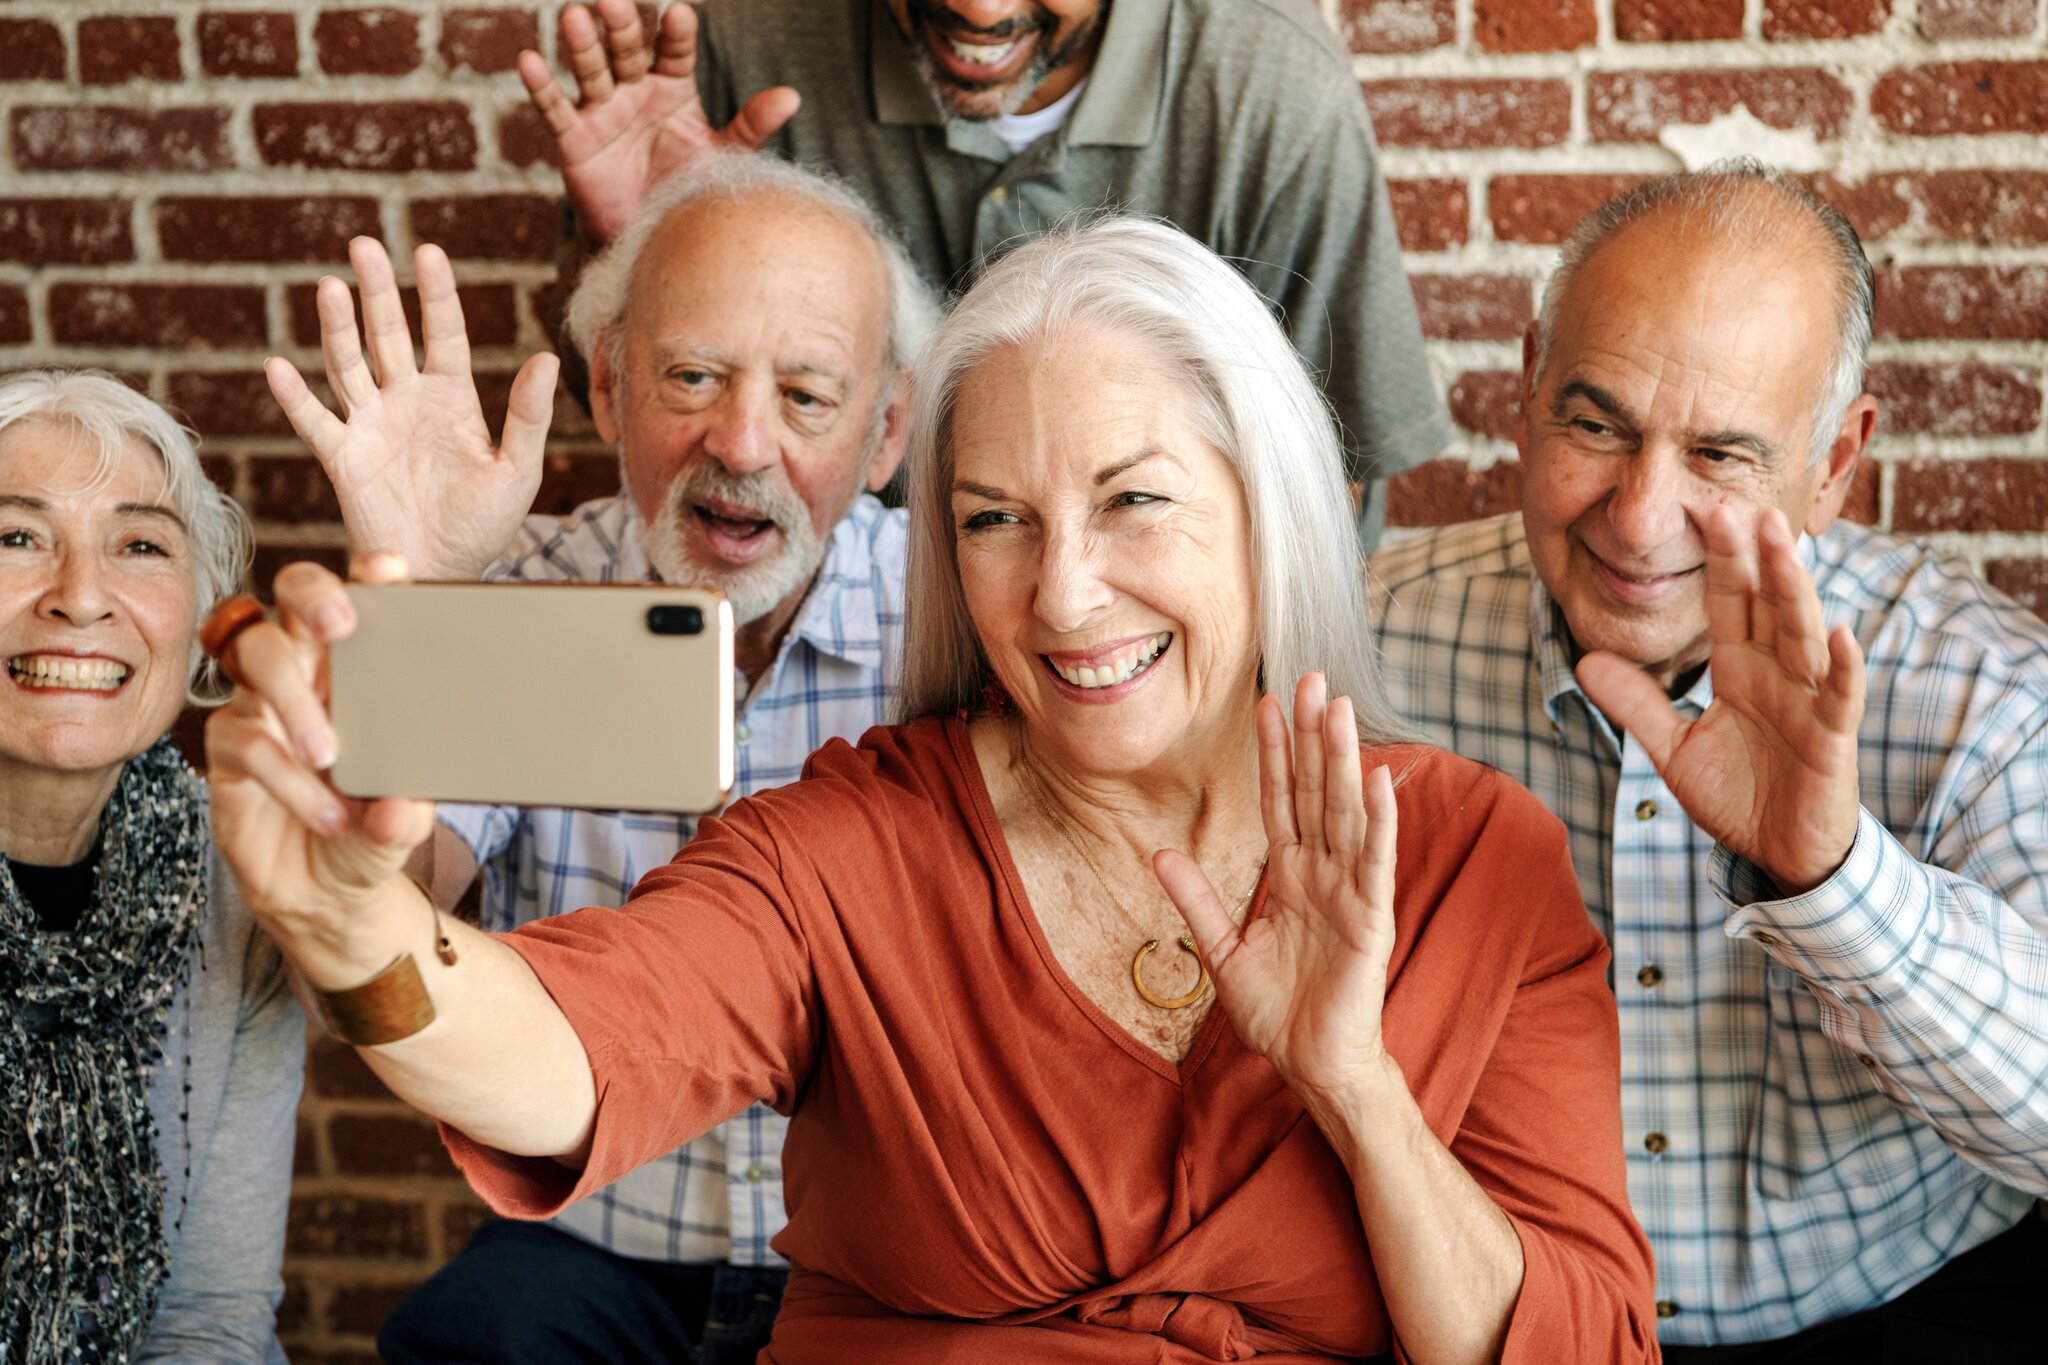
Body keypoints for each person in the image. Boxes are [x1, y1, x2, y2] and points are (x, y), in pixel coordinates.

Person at [209, 218, 1658, 1362]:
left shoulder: (1471, 853)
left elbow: (1569, 1345)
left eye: (1133, 499)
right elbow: (571, 1047)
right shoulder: (863, 836)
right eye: (996, 521)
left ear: (1265, 505)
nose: (1067, 593)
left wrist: (1356, 1090)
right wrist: (352, 929)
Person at [261, 155, 936, 1361]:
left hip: (874, 1260)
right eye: (691, 376)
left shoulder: (957, 624)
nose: (740, 439)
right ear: (610, 386)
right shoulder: (515, 598)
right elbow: (370, 940)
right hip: (585, 1241)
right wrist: (418, 617)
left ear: (886, 431)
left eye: (807, 398)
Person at [1370, 161, 2048, 1361]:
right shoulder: (1364, 645)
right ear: (1527, 383)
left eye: (1721, 458)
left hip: (1900, 1305)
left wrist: (1836, 877)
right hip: (1506, 1322)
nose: (1638, 518)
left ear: (1833, 462)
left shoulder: (1976, 692)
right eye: (1595, 424)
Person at [518, 0, 1450, 549]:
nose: (977, 9)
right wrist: (658, 245)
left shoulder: (1272, 86)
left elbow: (1335, 487)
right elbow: (631, 395)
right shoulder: (748, 37)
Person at [0, 370, 302, 1363]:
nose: (82, 598)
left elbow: (210, 1320)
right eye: (16, 538)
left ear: (200, 626)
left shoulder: (231, 885)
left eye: (139, 545)